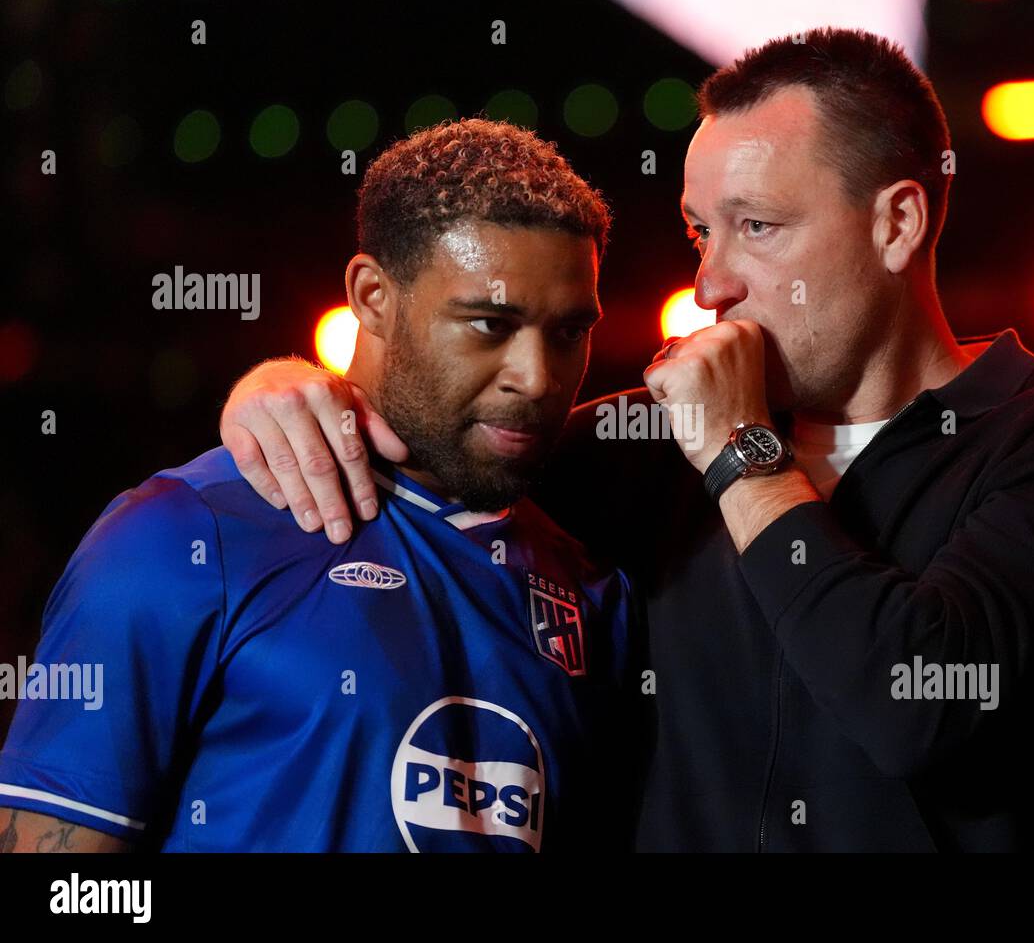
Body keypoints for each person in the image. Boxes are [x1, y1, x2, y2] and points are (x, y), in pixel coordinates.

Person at [217, 29, 1034, 851]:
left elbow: (920, 706)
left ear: (898, 223)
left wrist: (742, 455)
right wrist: (292, 392)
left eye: (757, 226)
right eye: (698, 234)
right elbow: (421, 455)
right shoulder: (640, 449)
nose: (711, 283)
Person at [0, 118, 636, 852]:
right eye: (490, 324)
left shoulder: (594, 587)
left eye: (568, 333)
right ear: (371, 296)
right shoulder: (183, 535)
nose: (538, 377)